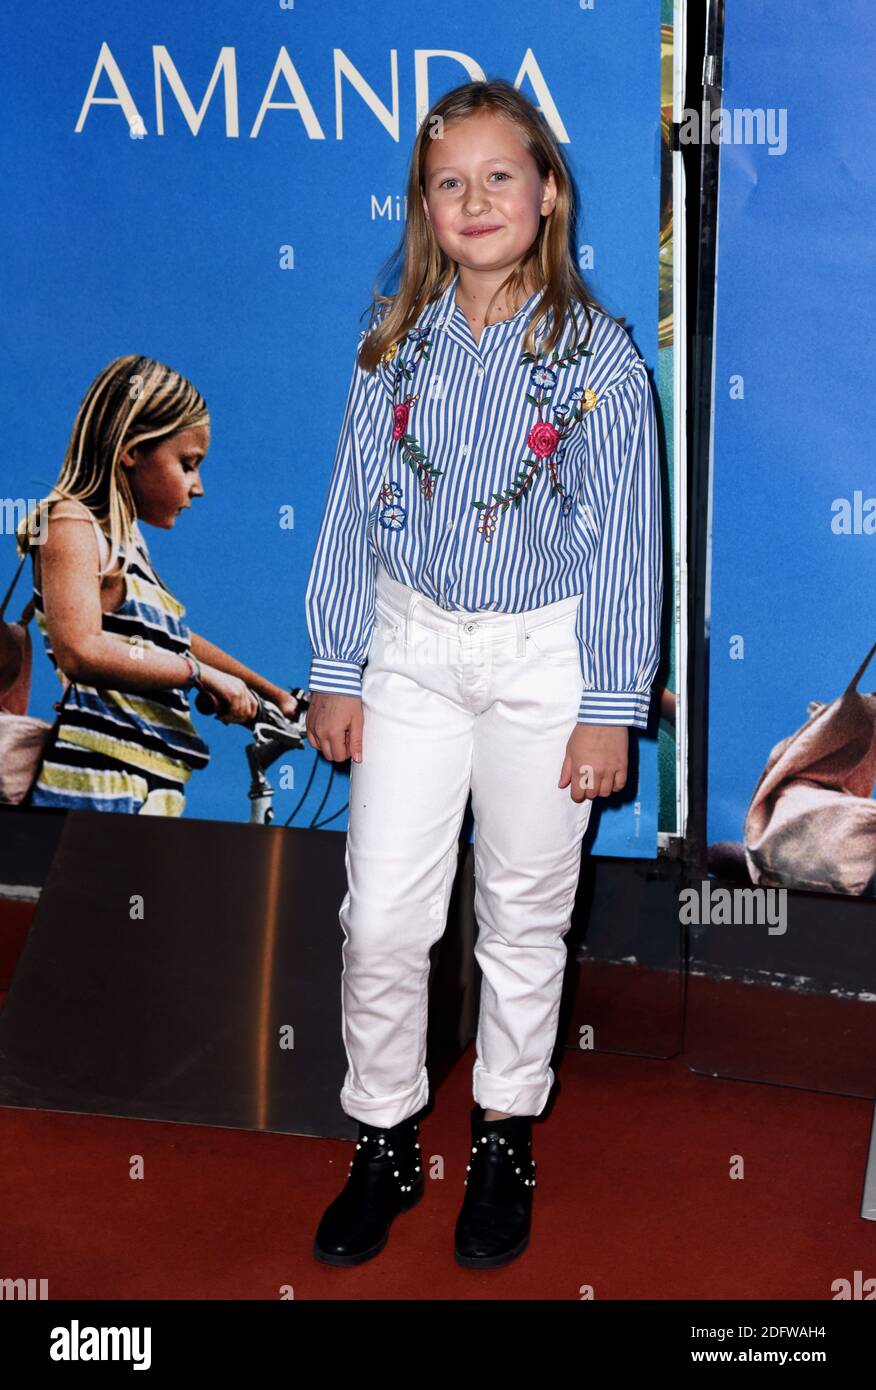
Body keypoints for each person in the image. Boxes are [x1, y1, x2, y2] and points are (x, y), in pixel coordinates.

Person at [304, 79, 663, 1269]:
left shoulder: (602, 359)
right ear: (424, 205)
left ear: (549, 192)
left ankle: (504, 1134)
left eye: (500, 176)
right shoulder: (389, 340)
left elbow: (623, 540)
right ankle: (386, 1135)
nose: (475, 200)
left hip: (542, 664)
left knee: (523, 916)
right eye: (449, 182)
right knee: (384, 916)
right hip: (407, 653)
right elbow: (353, 511)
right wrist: (335, 666)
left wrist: (610, 705)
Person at [15, 354, 299, 815]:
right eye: (188, 464)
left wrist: (273, 695)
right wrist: (200, 676)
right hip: (97, 787)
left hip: (151, 787)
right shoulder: (69, 522)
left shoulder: (128, 542)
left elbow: (173, 640)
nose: (198, 486)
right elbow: (81, 648)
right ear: (132, 449)